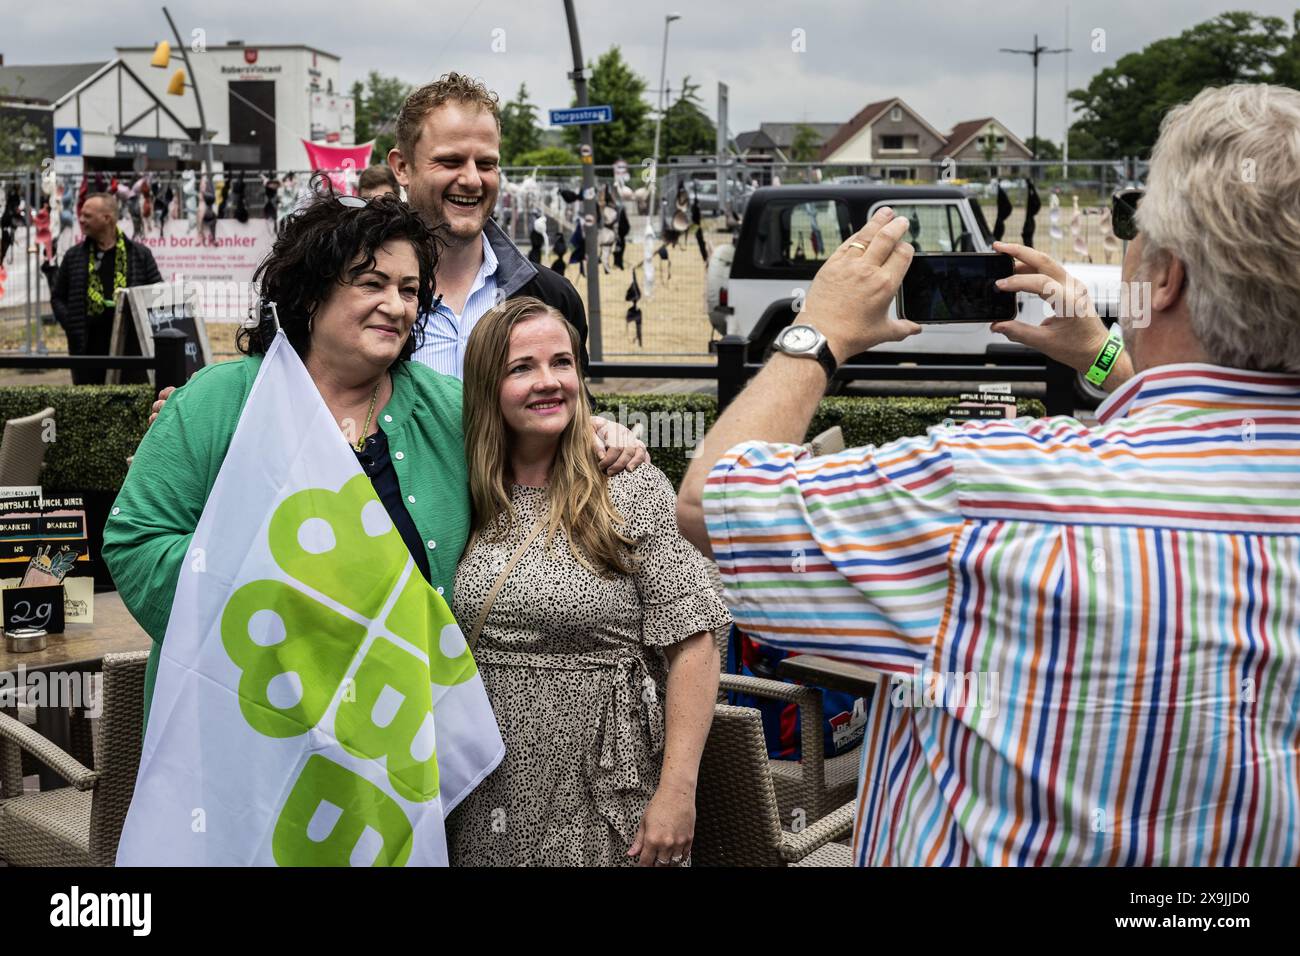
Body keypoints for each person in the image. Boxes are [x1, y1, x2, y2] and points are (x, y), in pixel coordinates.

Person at [678, 83, 1300, 866]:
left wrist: (818, 333)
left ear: (1165, 274)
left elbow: (710, 500)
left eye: (1133, 225)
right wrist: (1101, 356)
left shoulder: (988, 492)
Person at [106, 179, 645, 724]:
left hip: (399, 736)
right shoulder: (218, 401)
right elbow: (135, 543)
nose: (396, 306)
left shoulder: (447, 408)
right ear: (312, 293)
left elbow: (538, 439)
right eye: (372, 283)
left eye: (410, 290)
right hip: (246, 728)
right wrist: (279, 584)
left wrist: (598, 429)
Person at [447, 296, 729, 866]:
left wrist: (678, 792)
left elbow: (695, 640)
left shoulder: (626, 483)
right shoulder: (460, 489)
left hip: (606, 785)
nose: (548, 382)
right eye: (521, 368)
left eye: (563, 362)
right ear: (485, 387)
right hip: (482, 785)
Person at [387, 73, 590, 379]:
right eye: (451, 162)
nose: (472, 180)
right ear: (402, 167)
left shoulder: (552, 297)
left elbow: (572, 412)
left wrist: (595, 426)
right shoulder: (360, 300)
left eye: (486, 164)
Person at [51, 192, 162, 384]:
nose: (81, 220)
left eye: (87, 216)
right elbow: (57, 297)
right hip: (86, 351)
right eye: (81, 214)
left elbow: (158, 294)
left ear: (107, 218)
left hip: (131, 351)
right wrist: (71, 324)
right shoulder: (74, 256)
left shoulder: (139, 255)